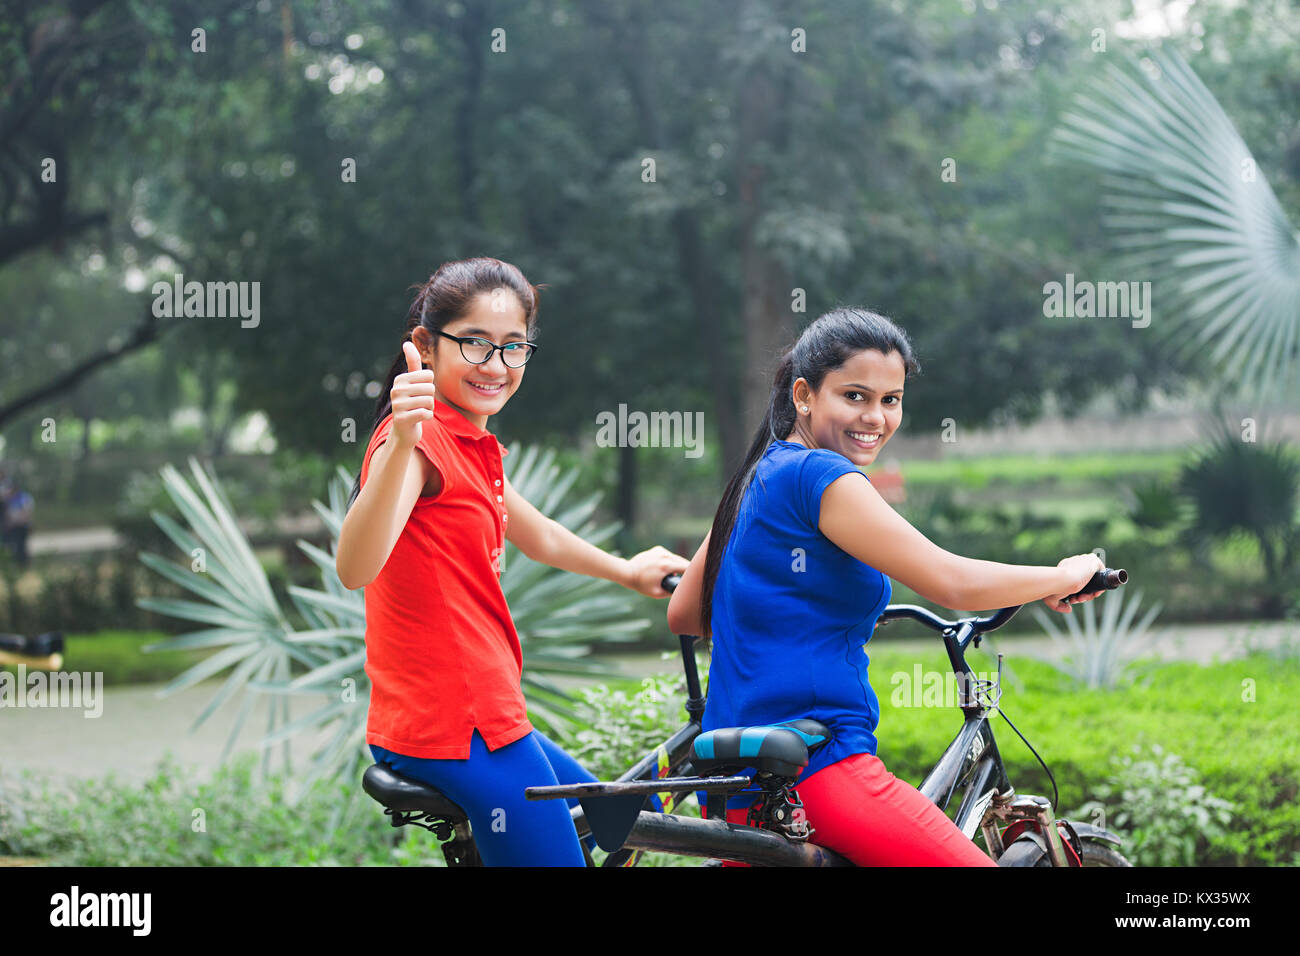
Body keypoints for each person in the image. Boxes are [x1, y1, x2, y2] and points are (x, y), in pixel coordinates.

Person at [666, 307, 1107, 867]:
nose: (874, 417)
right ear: (804, 395)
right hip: (819, 768)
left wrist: (799, 608)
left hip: (738, 782)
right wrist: (1064, 575)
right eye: (854, 396)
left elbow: (685, 612)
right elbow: (951, 581)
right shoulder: (823, 477)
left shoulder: (758, 474)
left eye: (890, 400)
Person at [335, 257, 688, 866]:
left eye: (513, 348)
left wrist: (627, 570)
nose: (495, 367)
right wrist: (401, 441)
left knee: (626, 822)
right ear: (426, 344)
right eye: (475, 344)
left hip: (485, 718)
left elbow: (539, 535)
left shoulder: (472, 443)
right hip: (454, 725)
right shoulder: (419, 446)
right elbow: (355, 567)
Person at [1, 470, 34, 568]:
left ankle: (24, 566)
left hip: (22, 526)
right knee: (13, 547)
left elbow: (27, 512)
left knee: (22, 547)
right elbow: (7, 513)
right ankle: (16, 565)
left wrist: (22, 521)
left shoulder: (24, 497)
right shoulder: (10, 499)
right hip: (13, 526)